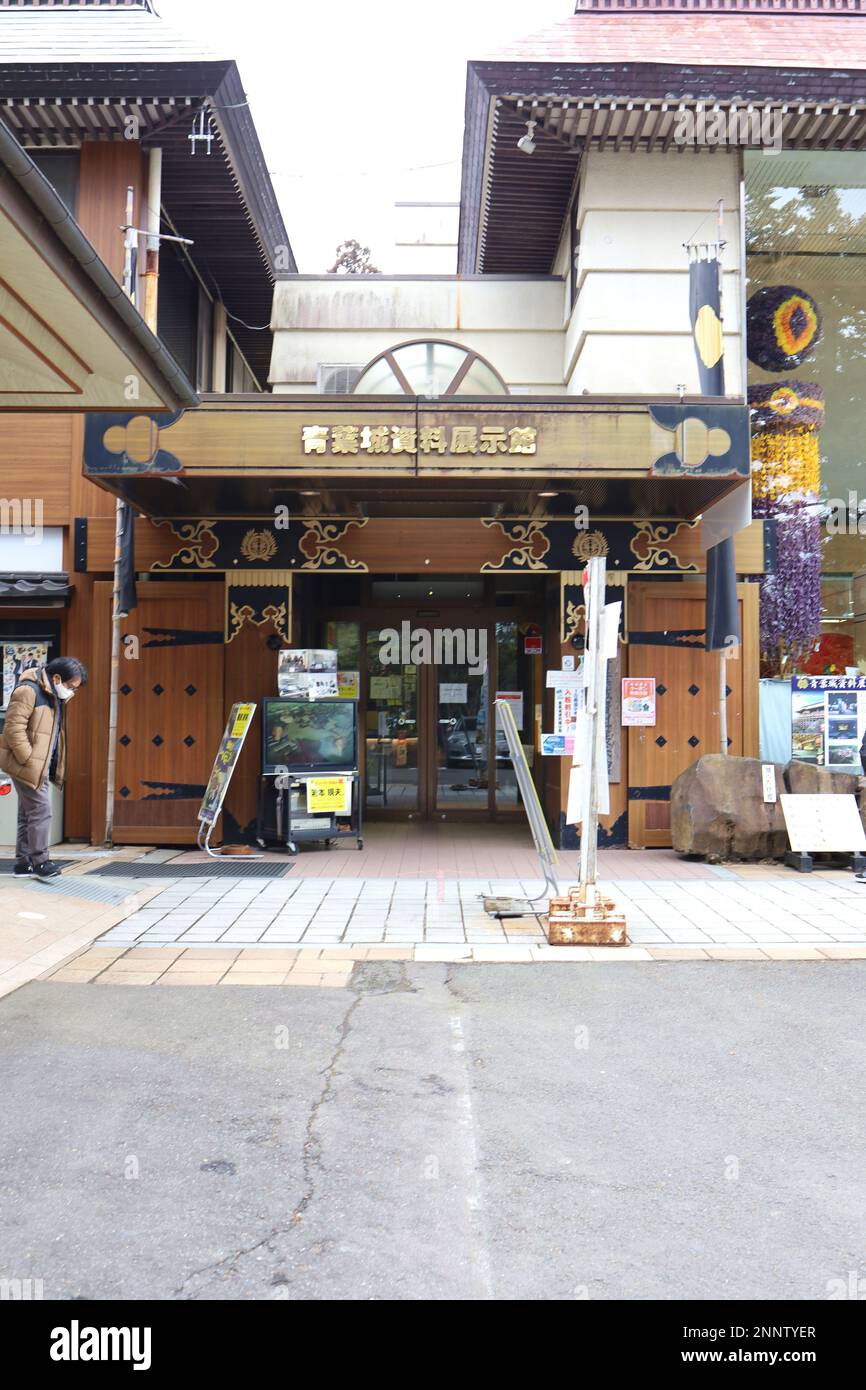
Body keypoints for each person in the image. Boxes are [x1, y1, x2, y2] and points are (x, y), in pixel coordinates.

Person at [0, 656, 87, 879]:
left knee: (27, 813)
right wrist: (27, 758)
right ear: (57, 677)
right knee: (42, 811)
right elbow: (13, 729)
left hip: (40, 763)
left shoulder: (51, 694)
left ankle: (23, 864)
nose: (71, 692)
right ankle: (41, 862)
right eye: (70, 686)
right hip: (28, 763)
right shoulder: (29, 691)